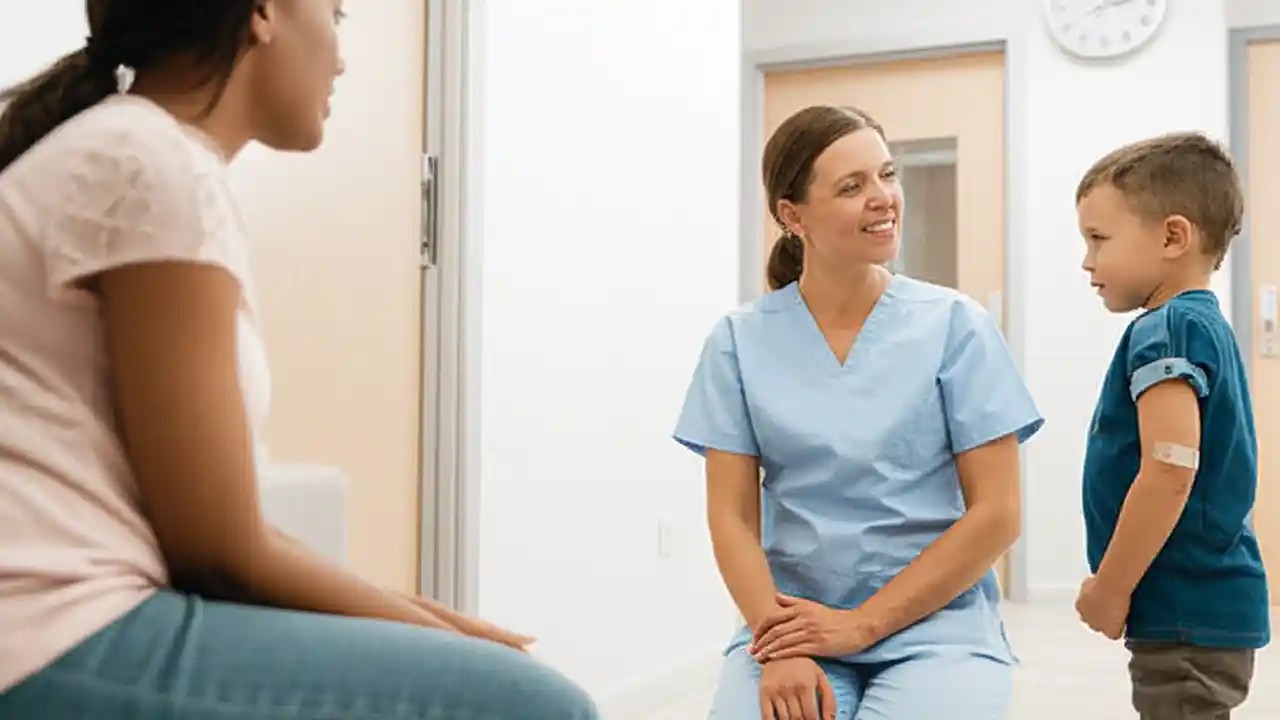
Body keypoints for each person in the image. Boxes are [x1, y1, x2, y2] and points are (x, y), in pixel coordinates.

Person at [0, 2, 599, 718]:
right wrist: (444, 638)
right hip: (46, 636)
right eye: (338, 14)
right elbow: (217, 551)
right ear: (261, 12)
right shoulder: (151, 166)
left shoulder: (132, 151)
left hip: (62, 622)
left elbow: (221, 524)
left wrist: (430, 619)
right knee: (536, 708)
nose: (342, 57)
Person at [672, 104, 1043, 720]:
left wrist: (863, 626)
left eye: (886, 175)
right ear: (793, 216)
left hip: (936, 627)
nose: (883, 198)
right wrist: (776, 642)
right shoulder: (739, 341)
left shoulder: (956, 327)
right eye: (852, 186)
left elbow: (997, 515)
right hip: (794, 623)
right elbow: (732, 517)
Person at [1073, 132, 1270, 719]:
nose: (1087, 261)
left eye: (1098, 239)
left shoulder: (1169, 329)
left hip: (1185, 608)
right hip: (1202, 605)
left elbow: (1168, 472)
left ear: (1173, 236)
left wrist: (1110, 588)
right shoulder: (1201, 325)